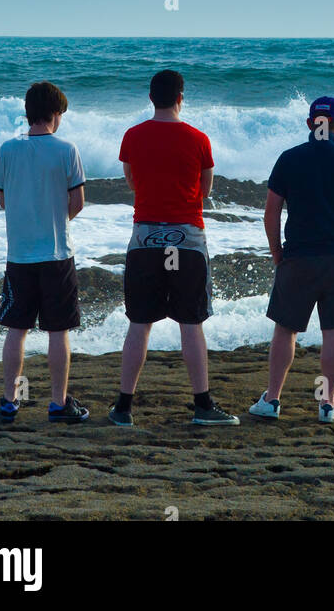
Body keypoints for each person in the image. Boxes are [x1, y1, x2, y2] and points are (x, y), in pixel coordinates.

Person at [109, 68, 238, 427]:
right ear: (181, 98)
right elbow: (205, 191)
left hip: (145, 239)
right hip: (188, 241)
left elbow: (133, 183)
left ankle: (123, 407)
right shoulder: (199, 139)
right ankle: (202, 404)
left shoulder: (132, 136)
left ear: (151, 98)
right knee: (191, 323)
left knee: (139, 323)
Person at [249, 95, 334, 424]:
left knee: (286, 329)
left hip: (299, 257)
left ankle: (273, 399)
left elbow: (271, 212)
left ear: (310, 123)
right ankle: (325, 401)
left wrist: (276, 251)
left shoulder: (290, 159)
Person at [0, 81, 88, 424]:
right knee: (58, 331)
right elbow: (76, 203)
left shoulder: (7, 149)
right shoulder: (66, 149)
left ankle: (12, 399)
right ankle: (57, 402)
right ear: (55, 113)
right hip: (56, 253)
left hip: (19, 255)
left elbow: (4, 200)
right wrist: (53, 219)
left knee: (17, 329)